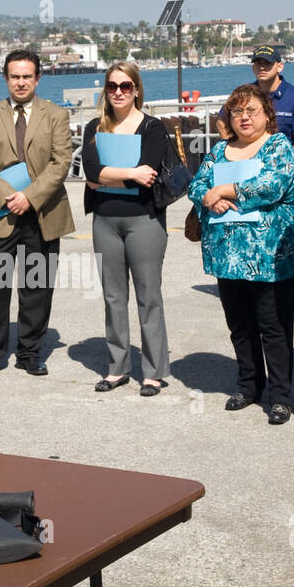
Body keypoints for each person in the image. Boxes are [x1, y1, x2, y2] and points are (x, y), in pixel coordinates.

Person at [188, 84, 294, 423]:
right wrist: (210, 198)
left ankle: (280, 396)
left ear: (267, 114)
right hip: (227, 255)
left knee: (274, 326)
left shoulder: (277, 146)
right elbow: (197, 184)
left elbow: (274, 184)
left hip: (269, 255)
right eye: (237, 112)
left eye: (251, 111)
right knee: (239, 324)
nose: (244, 118)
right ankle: (249, 385)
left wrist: (227, 189)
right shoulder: (219, 149)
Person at [0, 50, 75, 378]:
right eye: (15, 77)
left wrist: (29, 197)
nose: (21, 82)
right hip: (0, 212)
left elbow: (61, 161)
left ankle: (30, 352)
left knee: (36, 286)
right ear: (6, 78)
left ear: (38, 79)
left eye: (27, 76)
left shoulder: (56, 115)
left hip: (42, 213)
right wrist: (7, 196)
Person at [80, 62, 172, 396]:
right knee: (113, 297)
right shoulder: (94, 127)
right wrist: (129, 173)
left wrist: (110, 176)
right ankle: (117, 368)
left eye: (126, 86)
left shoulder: (153, 128)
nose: (118, 92)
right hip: (104, 220)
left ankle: (153, 372)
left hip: (143, 220)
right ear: (106, 90)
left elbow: (147, 173)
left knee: (149, 297)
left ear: (136, 90)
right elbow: (91, 172)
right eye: (112, 86)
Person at [219, 45, 294, 322]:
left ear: (279, 66)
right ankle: (255, 282)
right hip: (247, 175)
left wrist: (283, 170)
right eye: (258, 63)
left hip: (282, 177)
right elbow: (223, 120)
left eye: (267, 63)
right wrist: (233, 147)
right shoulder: (244, 94)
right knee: (250, 229)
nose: (262, 67)